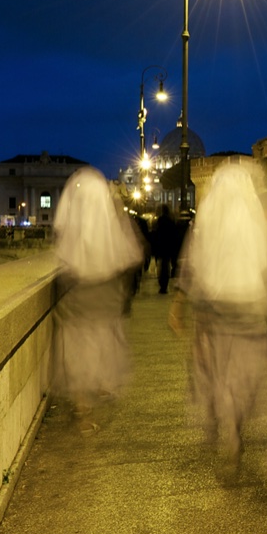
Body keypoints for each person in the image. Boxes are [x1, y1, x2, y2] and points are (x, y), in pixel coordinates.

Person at [169, 162, 267, 481]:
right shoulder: (257, 223)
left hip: (215, 310)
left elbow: (190, 266)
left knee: (220, 374)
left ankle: (228, 434)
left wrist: (179, 306)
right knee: (244, 374)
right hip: (249, 309)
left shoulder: (207, 223)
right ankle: (236, 423)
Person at [50, 167, 144, 434]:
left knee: (79, 348)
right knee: (102, 340)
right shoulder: (109, 217)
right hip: (104, 291)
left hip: (78, 291)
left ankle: (82, 408)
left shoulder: (73, 219)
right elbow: (128, 252)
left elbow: (61, 244)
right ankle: (97, 388)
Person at [149, 204, 180, 294]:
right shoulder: (171, 221)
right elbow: (174, 235)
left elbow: (155, 234)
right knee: (166, 265)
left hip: (161, 246)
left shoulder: (158, 221)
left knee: (161, 265)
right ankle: (164, 284)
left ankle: (162, 284)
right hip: (168, 246)